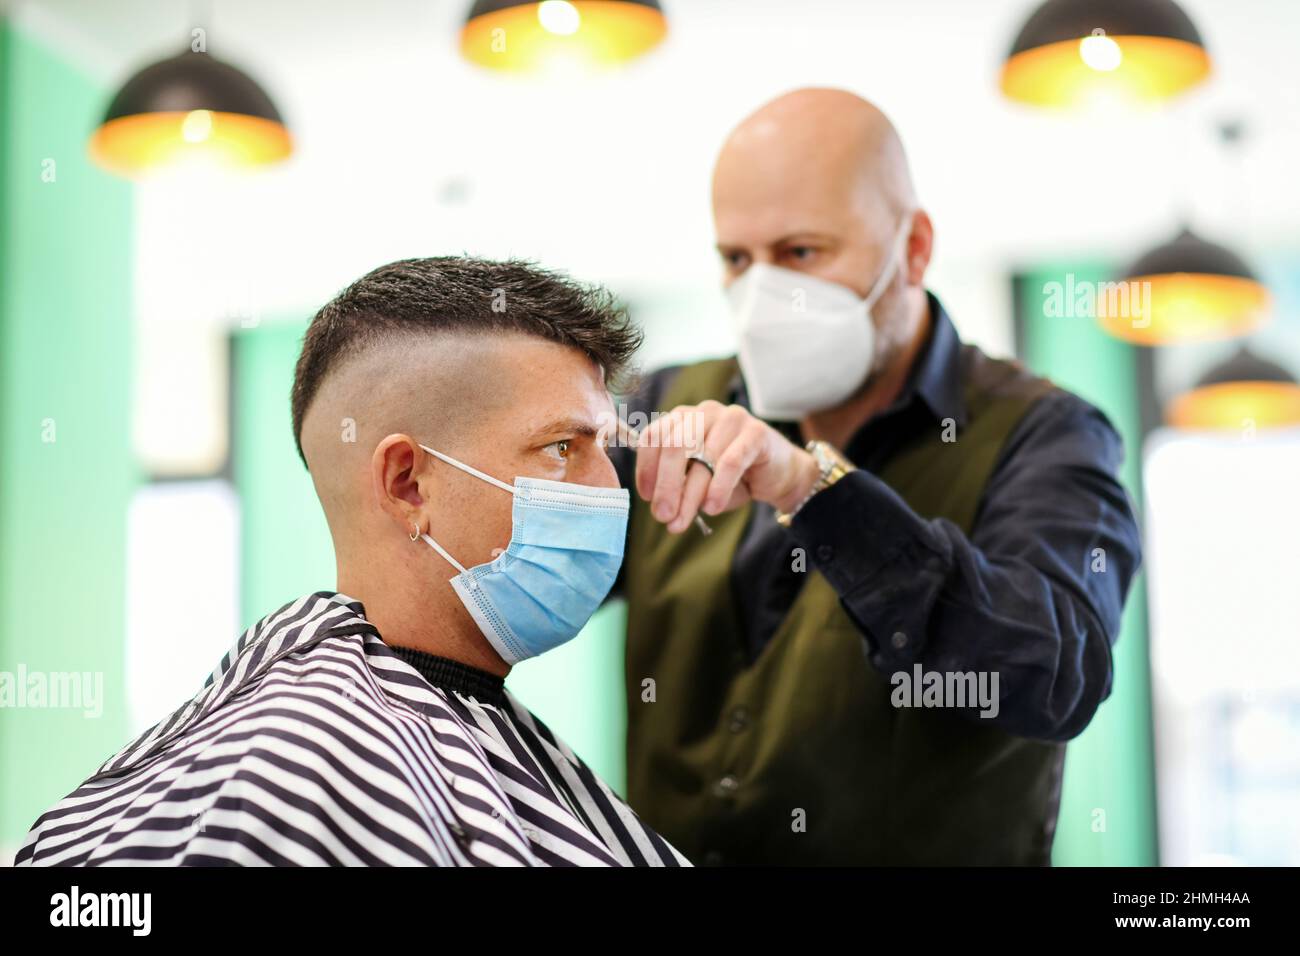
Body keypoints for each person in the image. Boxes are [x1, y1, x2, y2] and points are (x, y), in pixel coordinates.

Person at [611, 88, 1144, 865]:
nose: (762, 294)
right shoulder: (667, 404)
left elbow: (1053, 672)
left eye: (801, 253)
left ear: (914, 247)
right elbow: (530, 568)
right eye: (736, 259)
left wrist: (811, 490)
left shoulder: (1045, 435)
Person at [16, 256, 688, 867]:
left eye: (609, 446)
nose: (610, 487)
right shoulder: (292, 767)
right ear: (407, 484)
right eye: (564, 448)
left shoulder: (469, 718)